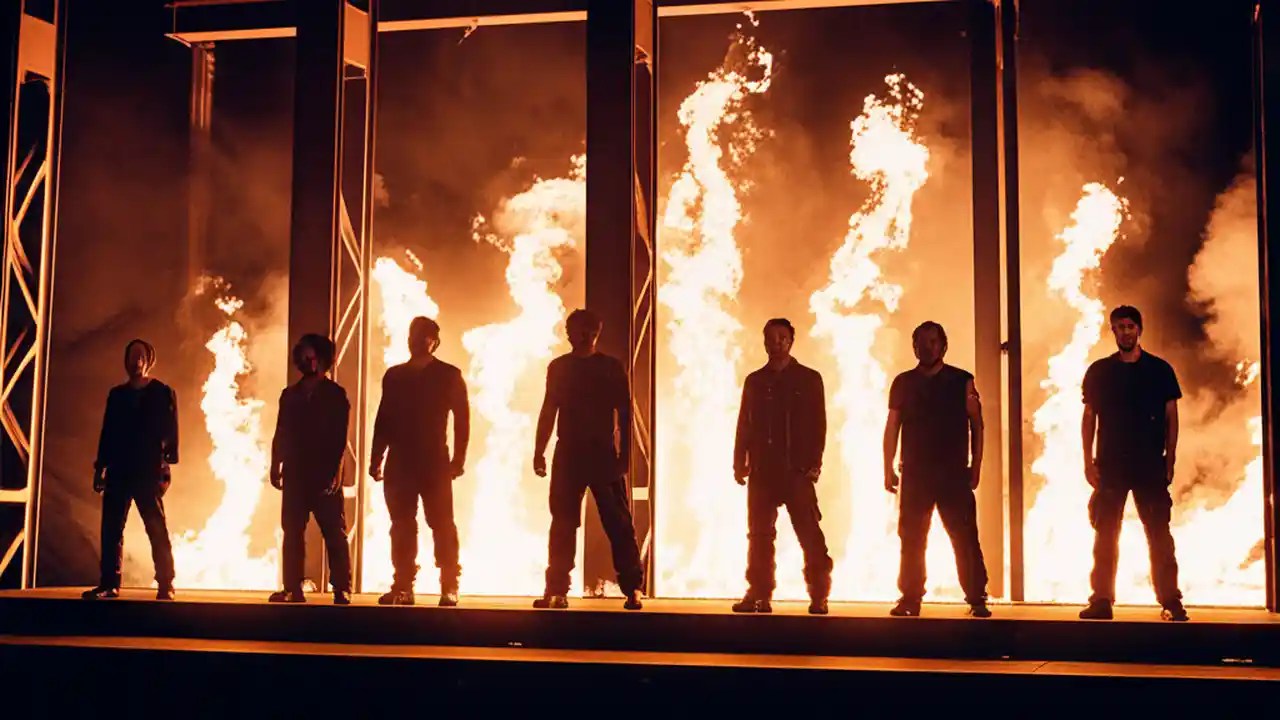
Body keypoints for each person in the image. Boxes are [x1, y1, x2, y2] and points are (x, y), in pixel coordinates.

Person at [1079, 306, 1188, 622]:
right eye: (1119, 327)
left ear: (1139, 329)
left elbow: (1171, 417)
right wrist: (1087, 462)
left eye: (1130, 326)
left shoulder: (1159, 370)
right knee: (1105, 534)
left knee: (1159, 534)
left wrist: (1170, 458)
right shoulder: (1100, 372)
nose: (1125, 332)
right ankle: (1101, 599)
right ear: (1112, 331)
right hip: (1111, 464)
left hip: (1149, 464)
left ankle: (1170, 600)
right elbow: (1089, 419)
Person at [532, 309, 644, 610]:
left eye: (589, 330)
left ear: (597, 333)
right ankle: (556, 590)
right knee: (563, 523)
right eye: (578, 329)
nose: (583, 335)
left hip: (601, 453)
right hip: (569, 452)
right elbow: (548, 409)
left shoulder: (610, 367)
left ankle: (633, 588)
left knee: (618, 522)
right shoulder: (559, 368)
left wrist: (624, 457)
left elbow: (624, 413)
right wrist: (539, 450)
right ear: (569, 333)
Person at [883, 321, 991, 618]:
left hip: (953, 473)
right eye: (921, 341)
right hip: (916, 473)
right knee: (912, 536)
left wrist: (976, 464)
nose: (927, 347)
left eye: (933, 341)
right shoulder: (903, 383)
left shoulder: (962, 381)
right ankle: (910, 598)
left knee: (964, 535)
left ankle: (977, 597)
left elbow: (977, 424)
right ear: (914, 346)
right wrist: (887, 465)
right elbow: (892, 425)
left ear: (943, 346)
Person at [732, 318, 832, 615]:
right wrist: (740, 461)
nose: (776, 343)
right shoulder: (755, 381)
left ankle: (819, 595)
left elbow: (819, 424)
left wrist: (815, 463)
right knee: (759, 535)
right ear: (764, 342)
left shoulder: (809, 379)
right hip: (763, 470)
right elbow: (744, 424)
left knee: (809, 532)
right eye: (771, 338)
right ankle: (759, 594)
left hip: (797, 470)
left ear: (791, 340)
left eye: (782, 337)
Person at [369, 316, 469, 607]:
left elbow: (462, 419)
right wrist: (377, 456)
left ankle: (449, 585)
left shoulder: (449, 375)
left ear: (435, 342)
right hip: (400, 461)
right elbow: (384, 418)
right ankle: (403, 585)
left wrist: (459, 458)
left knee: (442, 524)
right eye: (414, 334)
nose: (418, 340)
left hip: (434, 460)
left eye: (425, 336)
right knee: (401, 524)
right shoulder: (395, 375)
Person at [83, 339, 179, 601]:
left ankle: (166, 583)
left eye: (140, 356)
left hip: (147, 469)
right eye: (131, 356)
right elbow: (108, 432)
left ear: (148, 361)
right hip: (119, 469)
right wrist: (100, 467)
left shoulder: (162, 392)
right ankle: (109, 584)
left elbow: (171, 430)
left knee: (156, 527)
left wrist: (166, 463)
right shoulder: (117, 395)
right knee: (111, 528)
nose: (135, 361)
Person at [267, 334, 352, 605]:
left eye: (313, 356)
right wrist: (275, 463)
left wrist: (336, 472)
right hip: (296, 472)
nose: (308, 360)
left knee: (334, 532)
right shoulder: (289, 395)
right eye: (304, 355)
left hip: (324, 472)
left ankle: (342, 587)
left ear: (323, 359)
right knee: (292, 531)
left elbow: (341, 438)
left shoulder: (336, 395)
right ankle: (293, 587)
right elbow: (280, 431)